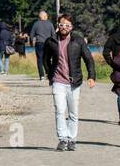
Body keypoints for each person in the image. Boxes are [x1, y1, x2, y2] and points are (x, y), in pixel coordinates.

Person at [41, 13, 96, 151]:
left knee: (73, 113)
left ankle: (72, 139)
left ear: (71, 27)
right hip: (58, 81)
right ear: (57, 26)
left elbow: (88, 59)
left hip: (74, 82)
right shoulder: (51, 41)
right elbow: (45, 59)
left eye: (67, 25)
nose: (64, 27)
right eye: (61, 24)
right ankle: (62, 139)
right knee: (59, 111)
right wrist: (50, 74)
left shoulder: (78, 41)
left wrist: (91, 76)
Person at [29, 11, 54, 80]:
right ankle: (49, 73)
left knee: (39, 59)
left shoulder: (36, 24)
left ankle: (42, 75)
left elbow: (31, 35)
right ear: (45, 16)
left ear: (40, 17)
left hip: (39, 42)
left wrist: (31, 43)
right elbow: (53, 34)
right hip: (48, 43)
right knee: (47, 59)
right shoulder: (50, 24)